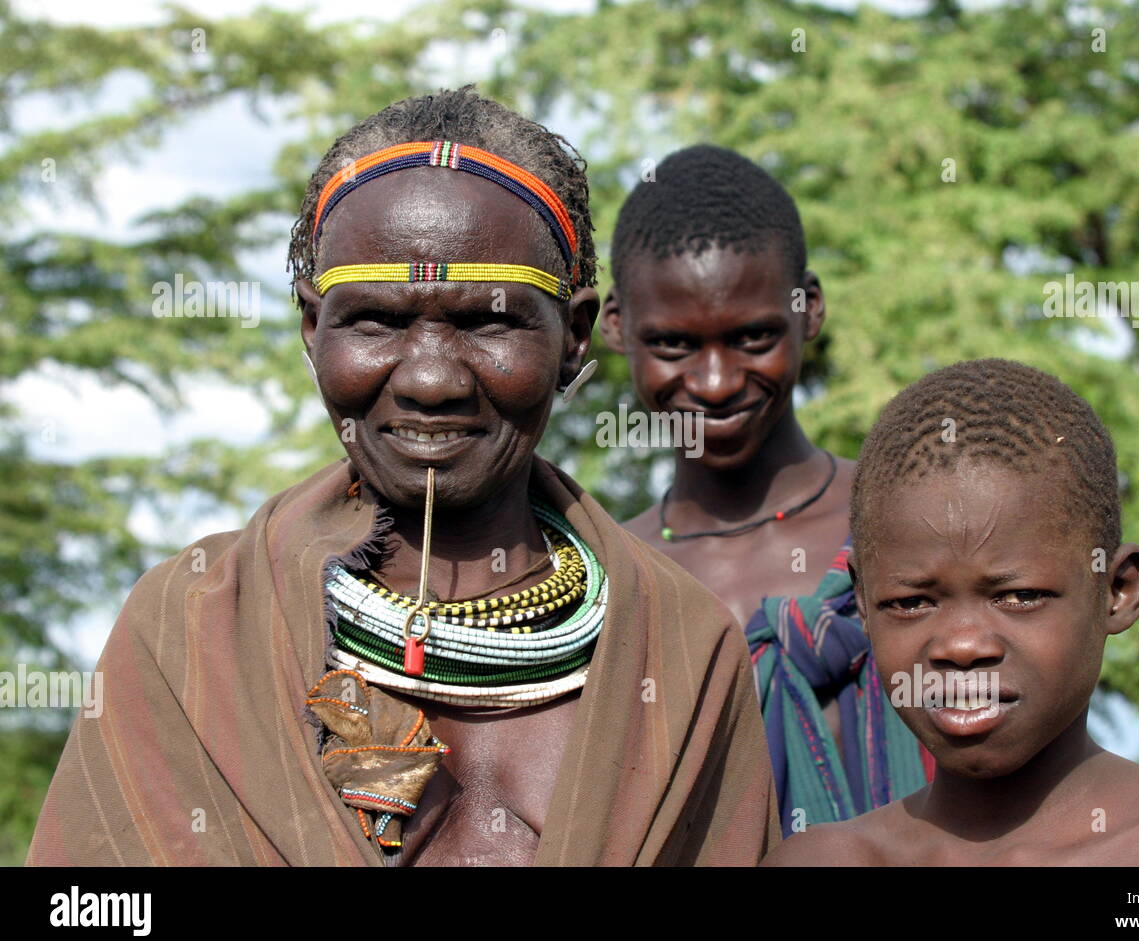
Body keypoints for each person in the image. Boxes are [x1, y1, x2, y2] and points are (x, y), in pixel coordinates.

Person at [27, 90, 779, 867]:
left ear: (574, 337)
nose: (429, 379)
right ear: (314, 331)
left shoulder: (682, 653)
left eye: (488, 321)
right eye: (377, 321)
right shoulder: (190, 631)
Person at [763, 358, 1139, 865]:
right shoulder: (822, 861)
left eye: (1018, 597)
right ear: (861, 602)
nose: (961, 646)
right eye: (910, 603)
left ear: (1118, 590)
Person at [603, 145, 930, 838]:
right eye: (672, 345)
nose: (716, 383)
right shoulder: (611, 579)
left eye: (753, 337)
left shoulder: (909, 520)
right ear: (613, 326)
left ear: (808, 310)